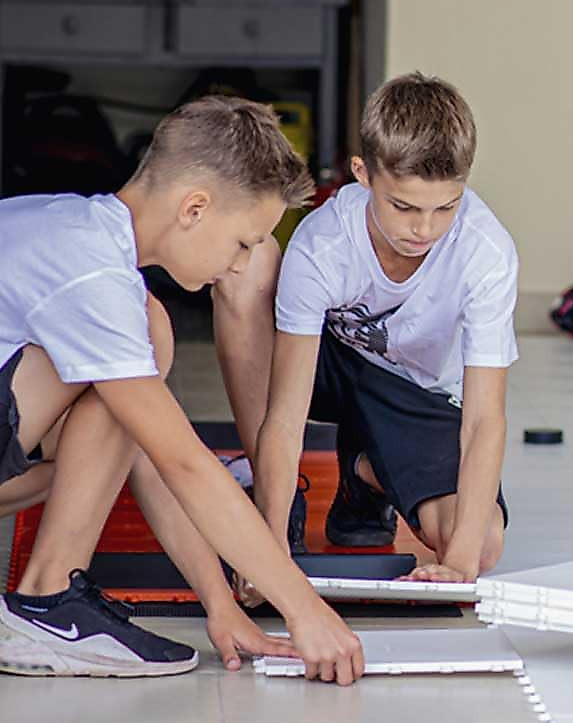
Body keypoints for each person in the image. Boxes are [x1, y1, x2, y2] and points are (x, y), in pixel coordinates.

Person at [0, 96, 364, 683]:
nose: (242, 264)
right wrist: (306, 610)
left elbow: (137, 452)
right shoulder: (93, 276)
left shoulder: (72, 227)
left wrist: (220, 605)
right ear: (195, 208)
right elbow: (183, 463)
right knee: (145, 337)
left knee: (98, 439)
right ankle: (47, 604)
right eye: (244, 242)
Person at [214, 73, 518, 590]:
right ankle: (275, 506)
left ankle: (364, 474)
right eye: (404, 207)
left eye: (445, 207)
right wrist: (268, 553)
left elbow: (485, 420)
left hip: (412, 393)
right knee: (247, 268)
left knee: (483, 542)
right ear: (363, 175)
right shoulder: (323, 242)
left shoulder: (485, 252)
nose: (424, 229)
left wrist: (461, 564)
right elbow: (285, 416)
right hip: (326, 367)